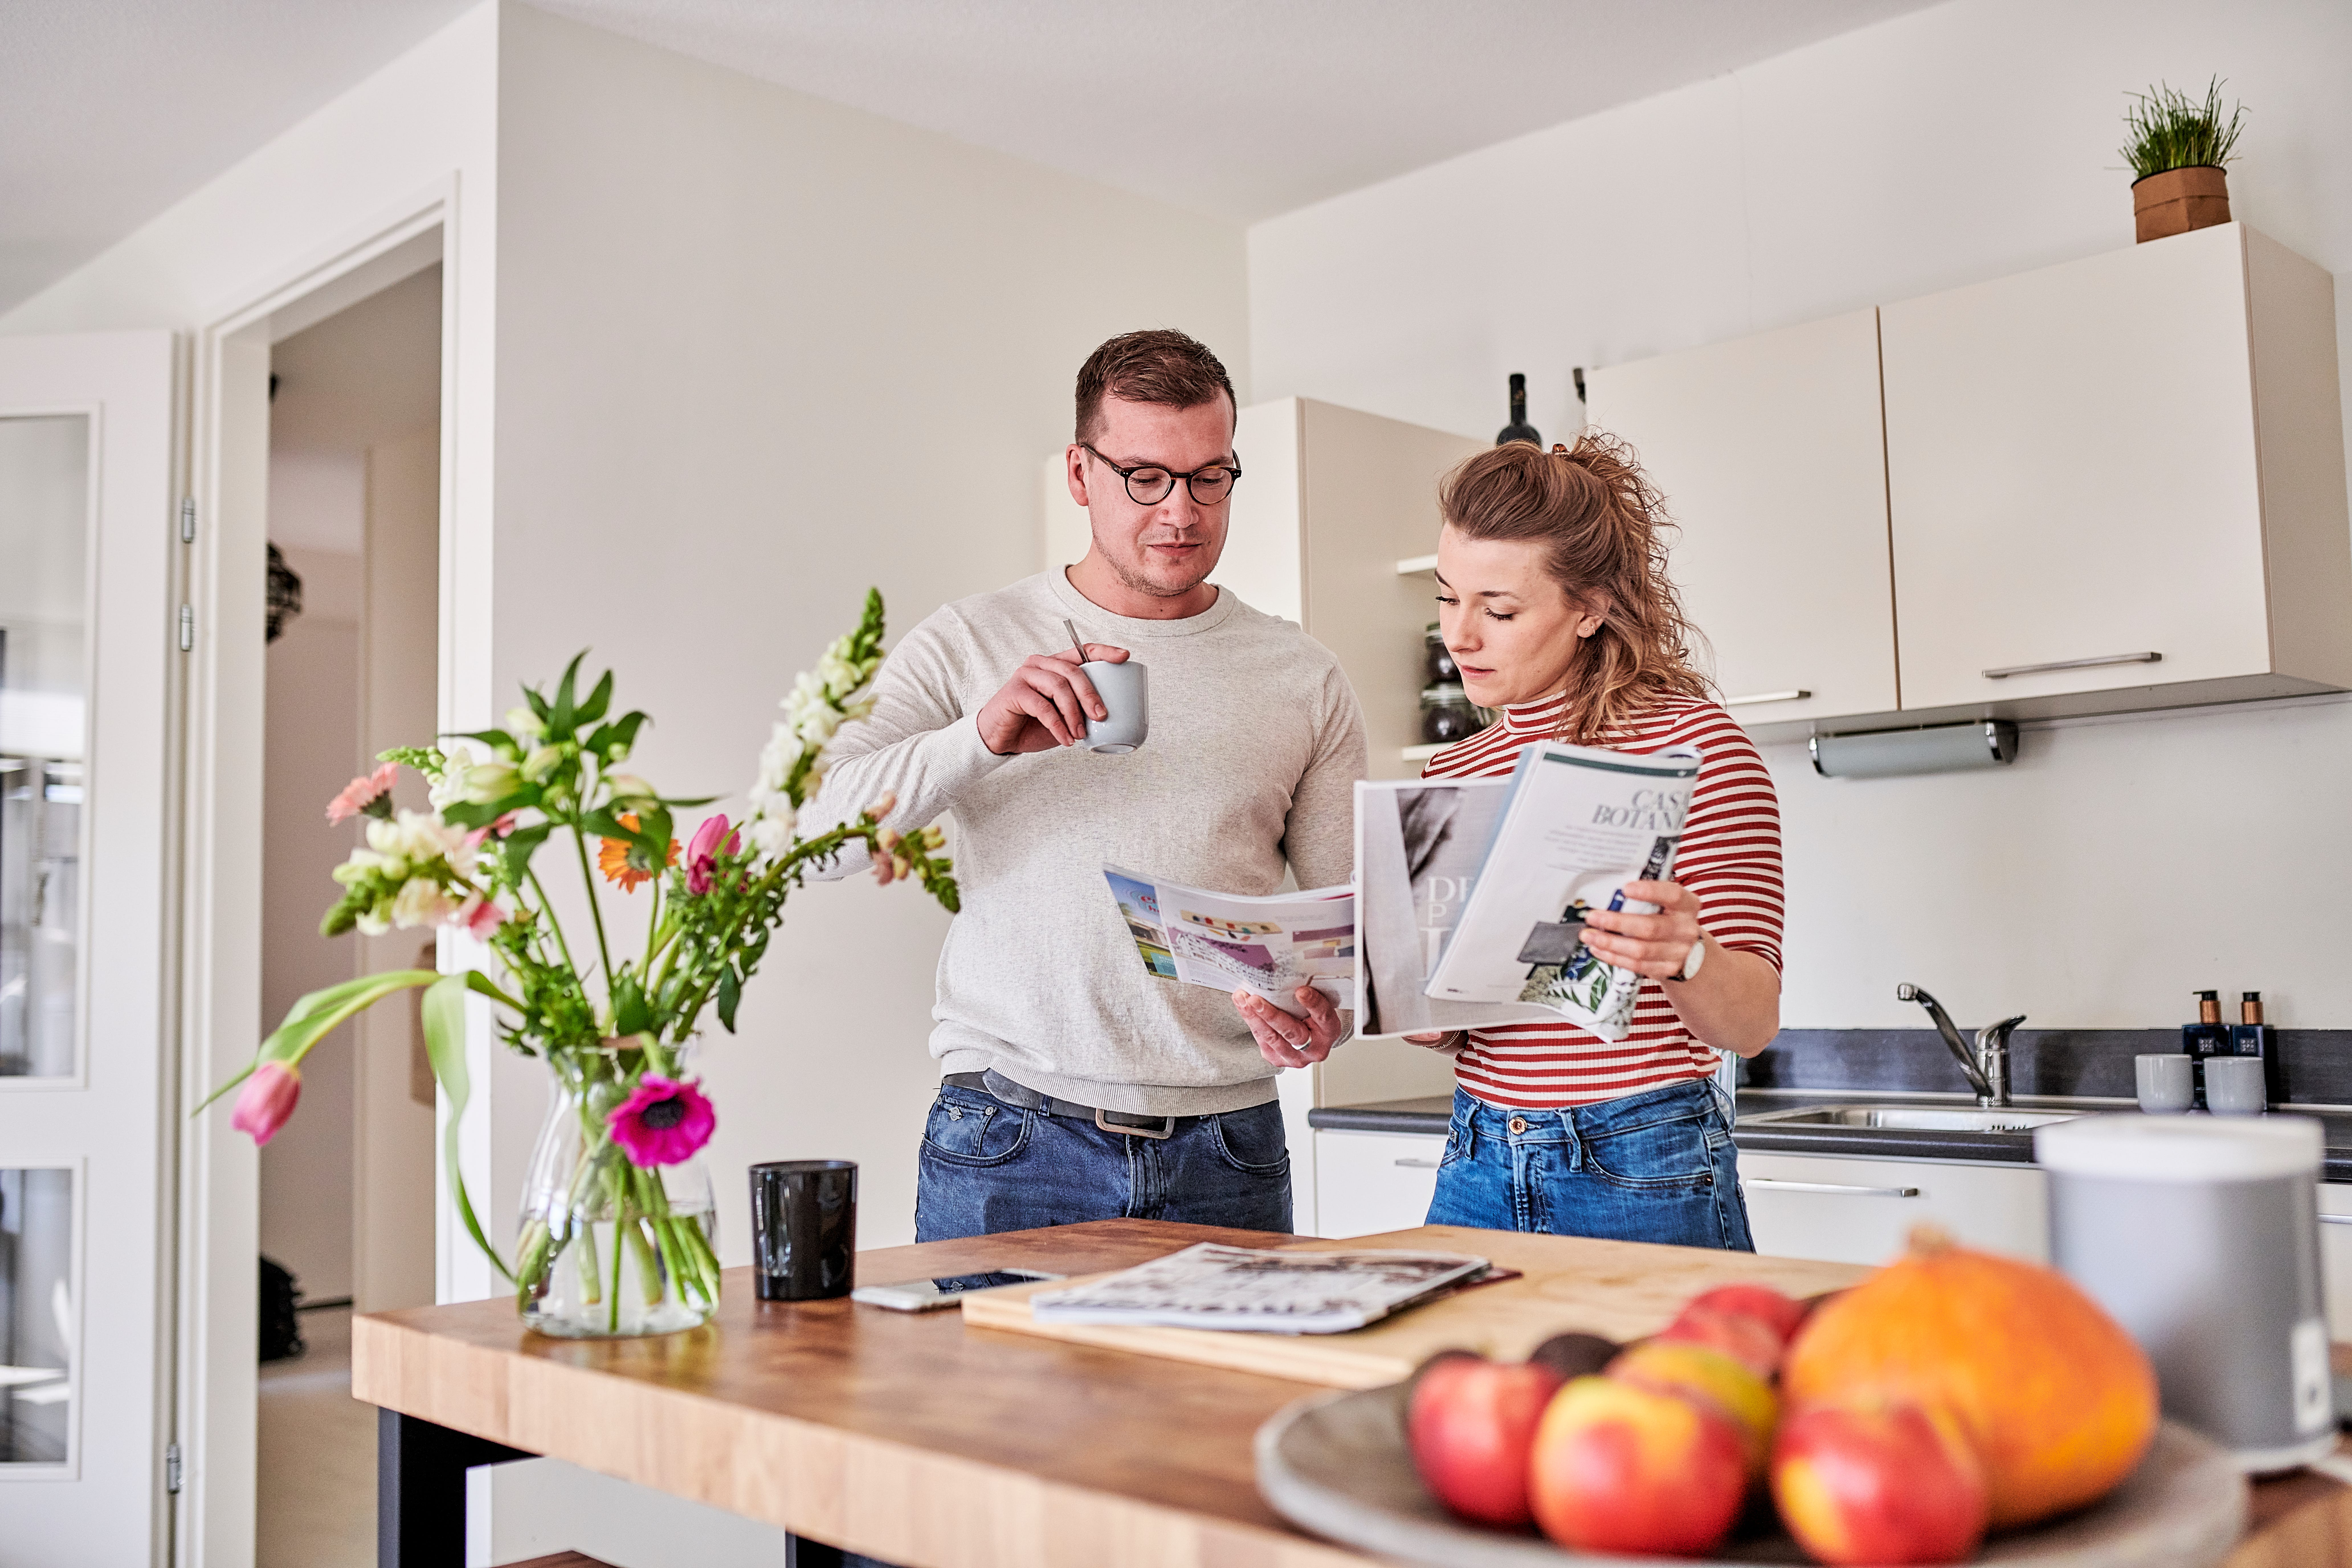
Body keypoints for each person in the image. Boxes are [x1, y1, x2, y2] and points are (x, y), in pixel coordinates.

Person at [807, 328, 1364, 1242]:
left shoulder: (1300, 673)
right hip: (1012, 1141)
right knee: (989, 1394)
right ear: (1080, 472)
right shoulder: (971, 640)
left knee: (1231, 1395)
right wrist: (979, 736)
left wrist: (1321, 1014)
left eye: (1209, 477)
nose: (1181, 513)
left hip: (1230, 1147)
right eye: (1145, 477)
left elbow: (1344, 927)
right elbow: (807, 834)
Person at [1408, 435, 1783, 1250]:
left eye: (1498, 610)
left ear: (1590, 607)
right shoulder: (1456, 767)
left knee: (1664, 1383)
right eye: (1447, 600)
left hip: (1642, 1157)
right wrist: (1407, 999)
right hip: (1479, 1150)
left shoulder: (1697, 749)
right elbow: (1462, 1020)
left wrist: (1683, 955)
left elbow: (1752, 1021)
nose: (1460, 637)